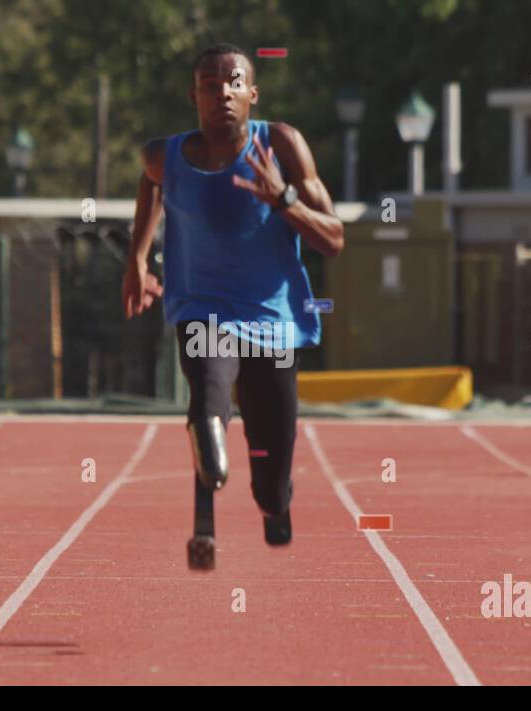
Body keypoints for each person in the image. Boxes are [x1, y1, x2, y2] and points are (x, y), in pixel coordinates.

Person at [122, 43, 344, 570]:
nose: (222, 91)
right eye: (209, 83)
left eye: (234, 82)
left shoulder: (281, 144)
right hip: (203, 309)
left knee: (271, 468)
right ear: (194, 95)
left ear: (252, 93)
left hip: (274, 321)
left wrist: (283, 200)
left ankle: (273, 499)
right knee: (209, 390)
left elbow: (333, 239)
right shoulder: (165, 154)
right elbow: (152, 183)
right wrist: (137, 258)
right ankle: (209, 458)